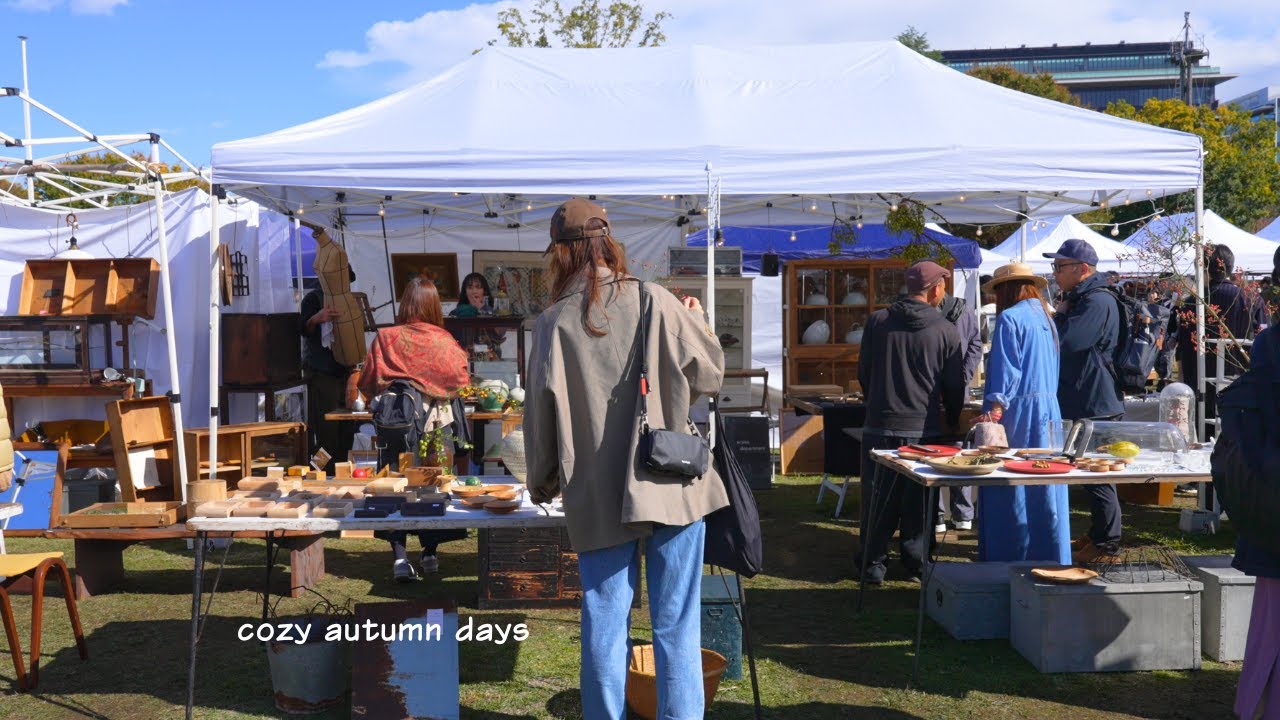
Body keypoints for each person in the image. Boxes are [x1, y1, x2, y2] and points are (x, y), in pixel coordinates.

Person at [524, 197, 728, 719]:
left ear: (561, 253)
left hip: (595, 489)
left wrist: (543, 481)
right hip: (671, 482)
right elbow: (708, 376)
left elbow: (540, 418)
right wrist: (697, 324)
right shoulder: (657, 301)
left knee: (605, 623)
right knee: (677, 626)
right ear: (608, 242)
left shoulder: (552, 323)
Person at [856, 261, 965, 584]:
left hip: (880, 424)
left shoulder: (878, 322)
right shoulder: (945, 329)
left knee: (878, 498)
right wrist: (954, 418)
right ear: (935, 290)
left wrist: (876, 400)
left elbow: (865, 373)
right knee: (919, 501)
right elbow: (954, 385)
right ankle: (916, 563)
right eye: (943, 285)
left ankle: (873, 564)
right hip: (924, 428)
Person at [359, 277, 471, 581]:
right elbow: (461, 380)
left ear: (405, 302)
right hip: (435, 424)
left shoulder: (387, 337)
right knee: (431, 488)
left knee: (392, 486)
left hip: (397, 423)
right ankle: (430, 553)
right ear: (434, 305)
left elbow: (367, 381)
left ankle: (399, 558)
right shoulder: (444, 340)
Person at [978, 263, 1070, 564]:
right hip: (1049, 410)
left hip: (1021, 412)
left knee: (1012, 481)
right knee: (1046, 484)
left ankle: (1012, 557)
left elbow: (1008, 367)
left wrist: (994, 408)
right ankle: (1051, 556)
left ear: (1006, 290)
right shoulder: (1046, 318)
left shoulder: (1010, 318)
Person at [1043, 239, 1124, 564]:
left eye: (1060, 267)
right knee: (1090, 474)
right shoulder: (1086, 298)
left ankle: (1108, 545)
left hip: (1096, 401)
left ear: (1083, 269)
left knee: (1097, 475)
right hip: (1088, 397)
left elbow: (1069, 341)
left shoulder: (1096, 301)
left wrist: (1059, 316)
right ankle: (1100, 534)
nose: (1055, 273)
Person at [1233, 325, 1280, 720]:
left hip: (1272, 495)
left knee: (1271, 615)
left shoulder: (1270, 341)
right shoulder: (1271, 342)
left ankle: (1260, 703)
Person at [934, 291, 983, 533]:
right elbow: (976, 345)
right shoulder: (964, 309)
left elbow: (974, 343)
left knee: (935, 450)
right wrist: (963, 376)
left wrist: (962, 376)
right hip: (954, 389)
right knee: (957, 450)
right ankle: (961, 514)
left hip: (931, 391)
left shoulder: (933, 310)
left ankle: (938, 516)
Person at [299, 270, 356, 474]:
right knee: (326, 433)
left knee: (347, 429)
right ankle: (317, 473)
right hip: (322, 373)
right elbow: (303, 329)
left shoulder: (346, 299)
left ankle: (340, 472)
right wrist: (316, 319)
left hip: (344, 371)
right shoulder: (313, 298)